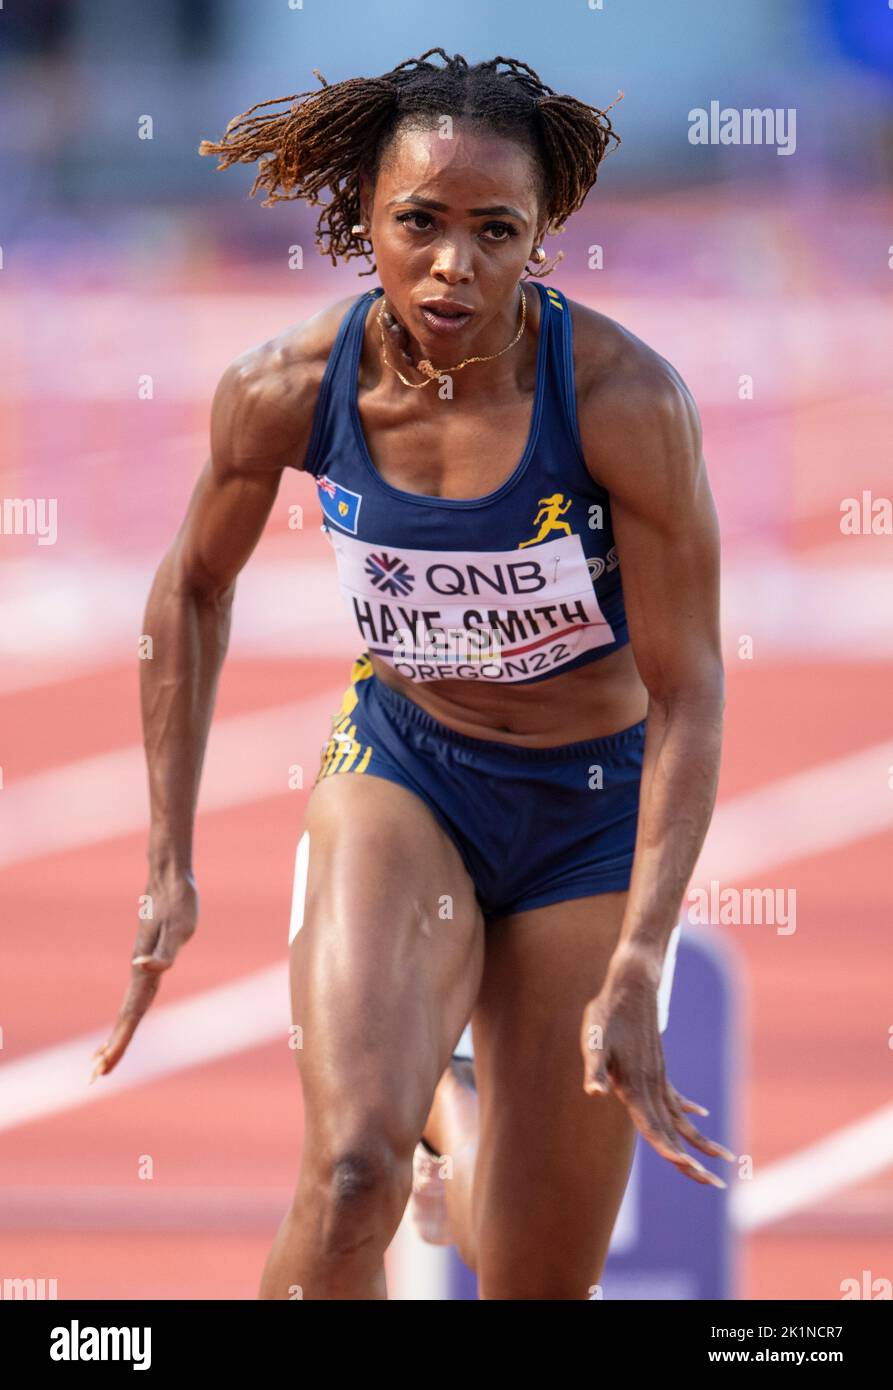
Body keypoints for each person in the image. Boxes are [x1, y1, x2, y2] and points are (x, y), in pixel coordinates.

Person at [90, 48, 731, 1300]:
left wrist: (644, 953)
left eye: (495, 231)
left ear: (541, 234)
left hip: (587, 811)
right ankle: (414, 1111)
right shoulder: (283, 387)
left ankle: (455, 1121)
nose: (453, 267)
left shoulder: (620, 400)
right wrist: (168, 856)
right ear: (361, 219)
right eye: (419, 224)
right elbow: (189, 588)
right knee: (346, 1177)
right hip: (407, 771)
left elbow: (692, 689)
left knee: (524, 1274)